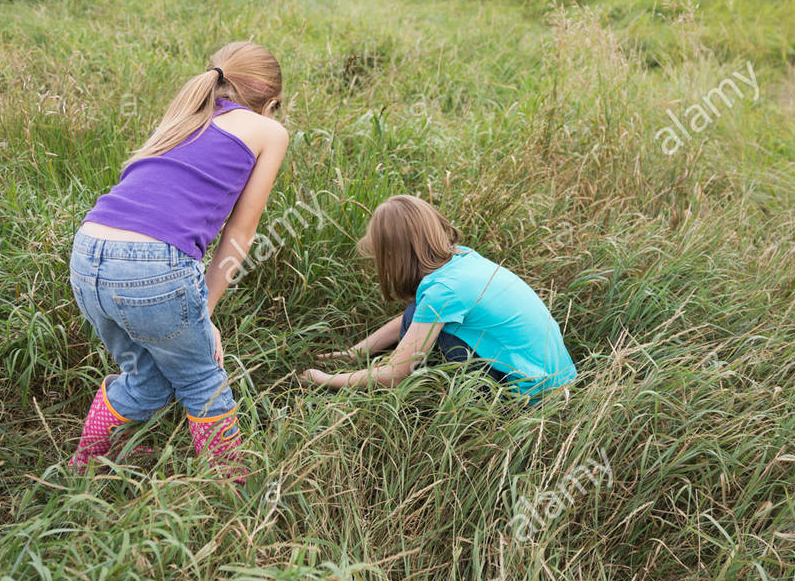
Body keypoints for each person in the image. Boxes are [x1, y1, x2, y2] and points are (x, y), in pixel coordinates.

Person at [68, 41, 289, 480]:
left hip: (87, 251)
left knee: (145, 381)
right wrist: (203, 311)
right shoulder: (270, 131)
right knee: (203, 382)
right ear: (273, 102)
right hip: (152, 265)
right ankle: (230, 496)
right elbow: (240, 235)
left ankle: (83, 466)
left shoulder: (185, 116)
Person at [299, 195, 576, 400]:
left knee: (417, 330)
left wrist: (327, 380)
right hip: (558, 381)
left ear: (393, 255)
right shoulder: (462, 258)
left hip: (531, 398)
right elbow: (423, 314)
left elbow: (395, 374)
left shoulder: (443, 291)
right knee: (414, 316)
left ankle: (444, 401)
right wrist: (355, 353)